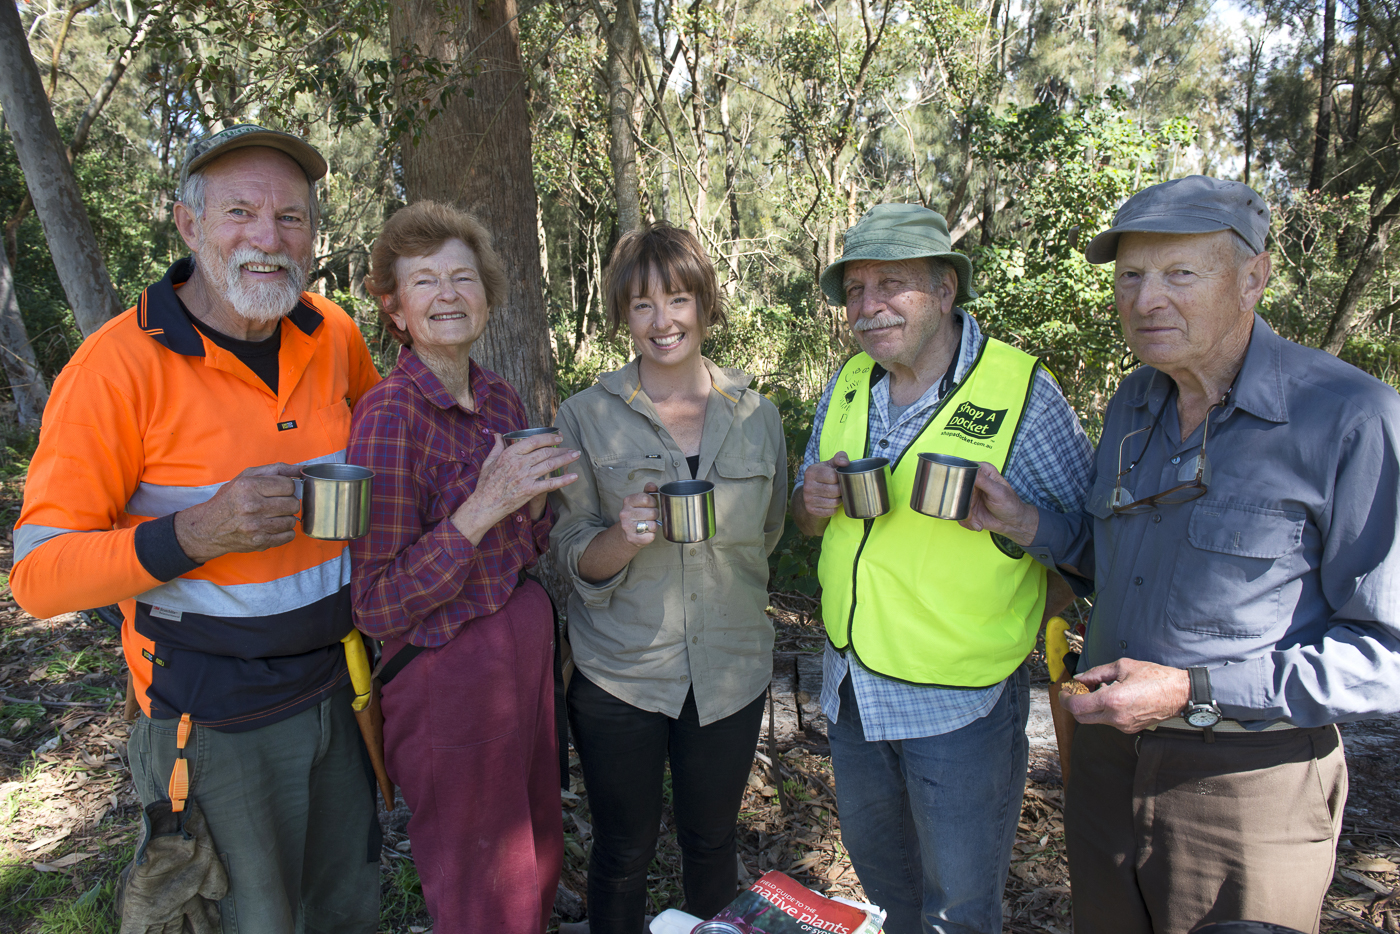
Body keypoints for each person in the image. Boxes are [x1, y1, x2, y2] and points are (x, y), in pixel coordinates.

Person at [966, 175, 1400, 934]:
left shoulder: (1350, 419)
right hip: (1105, 768)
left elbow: (1384, 656)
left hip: (1245, 786)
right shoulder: (1135, 403)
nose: (1146, 300)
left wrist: (1190, 688)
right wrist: (1029, 524)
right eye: (1131, 276)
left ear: (1254, 278)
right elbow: (1122, 566)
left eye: (1179, 274)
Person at [11, 125, 382, 932]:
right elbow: (38, 578)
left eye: (290, 217)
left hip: (337, 690)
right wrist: (193, 535)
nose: (267, 237)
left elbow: (389, 448)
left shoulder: (333, 334)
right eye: (239, 212)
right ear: (188, 224)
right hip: (209, 722)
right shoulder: (115, 367)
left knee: (346, 912)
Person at [791, 203, 1095, 934]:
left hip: (961, 706)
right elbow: (804, 517)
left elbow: (1092, 545)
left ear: (945, 289)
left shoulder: (1022, 392)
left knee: (957, 912)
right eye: (855, 290)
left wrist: (1021, 532)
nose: (868, 306)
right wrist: (812, 500)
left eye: (890, 284)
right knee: (887, 896)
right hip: (854, 691)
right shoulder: (849, 383)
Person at [549, 222, 787, 934]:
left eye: (678, 299)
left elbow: (767, 534)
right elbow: (571, 553)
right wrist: (622, 537)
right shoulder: (584, 416)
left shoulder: (758, 415)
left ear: (705, 305)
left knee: (712, 844)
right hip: (620, 673)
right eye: (643, 304)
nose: (662, 321)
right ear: (624, 315)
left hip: (730, 670)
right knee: (623, 850)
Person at [349, 200, 577, 934]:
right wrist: (484, 506)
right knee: (483, 888)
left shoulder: (501, 399)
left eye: (462, 277)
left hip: (521, 658)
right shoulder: (388, 416)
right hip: (446, 674)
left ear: (486, 294)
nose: (447, 294)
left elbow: (522, 545)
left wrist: (535, 508)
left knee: (536, 851)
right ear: (396, 308)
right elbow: (377, 603)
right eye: (424, 281)